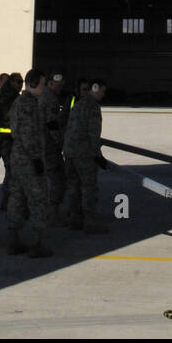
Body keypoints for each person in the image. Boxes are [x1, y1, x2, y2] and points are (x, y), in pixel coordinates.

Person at [6, 69, 52, 257]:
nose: (44, 87)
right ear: (32, 84)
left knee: (17, 198)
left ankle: (14, 241)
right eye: (42, 83)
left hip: (17, 159)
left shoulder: (19, 102)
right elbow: (27, 134)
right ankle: (37, 244)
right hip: (29, 160)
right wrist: (36, 159)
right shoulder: (29, 104)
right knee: (38, 199)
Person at [63, 79, 108, 233]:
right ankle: (90, 222)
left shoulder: (79, 104)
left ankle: (74, 220)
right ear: (95, 89)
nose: (103, 94)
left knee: (73, 187)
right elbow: (93, 134)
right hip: (84, 154)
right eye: (102, 91)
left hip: (70, 152)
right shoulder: (93, 107)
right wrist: (97, 155)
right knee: (89, 188)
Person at [39, 71, 68, 223]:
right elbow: (52, 124)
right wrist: (60, 141)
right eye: (57, 85)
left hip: (41, 145)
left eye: (61, 85)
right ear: (50, 84)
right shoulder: (50, 99)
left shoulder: (41, 96)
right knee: (55, 178)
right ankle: (53, 215)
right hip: (49, 146)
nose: (60, 88)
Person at [0, 72, 18, 209]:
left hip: (8, 141)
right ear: (0, 82)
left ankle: (5, 202)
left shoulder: (15, 97)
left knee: (10, 172)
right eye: (5, 81)